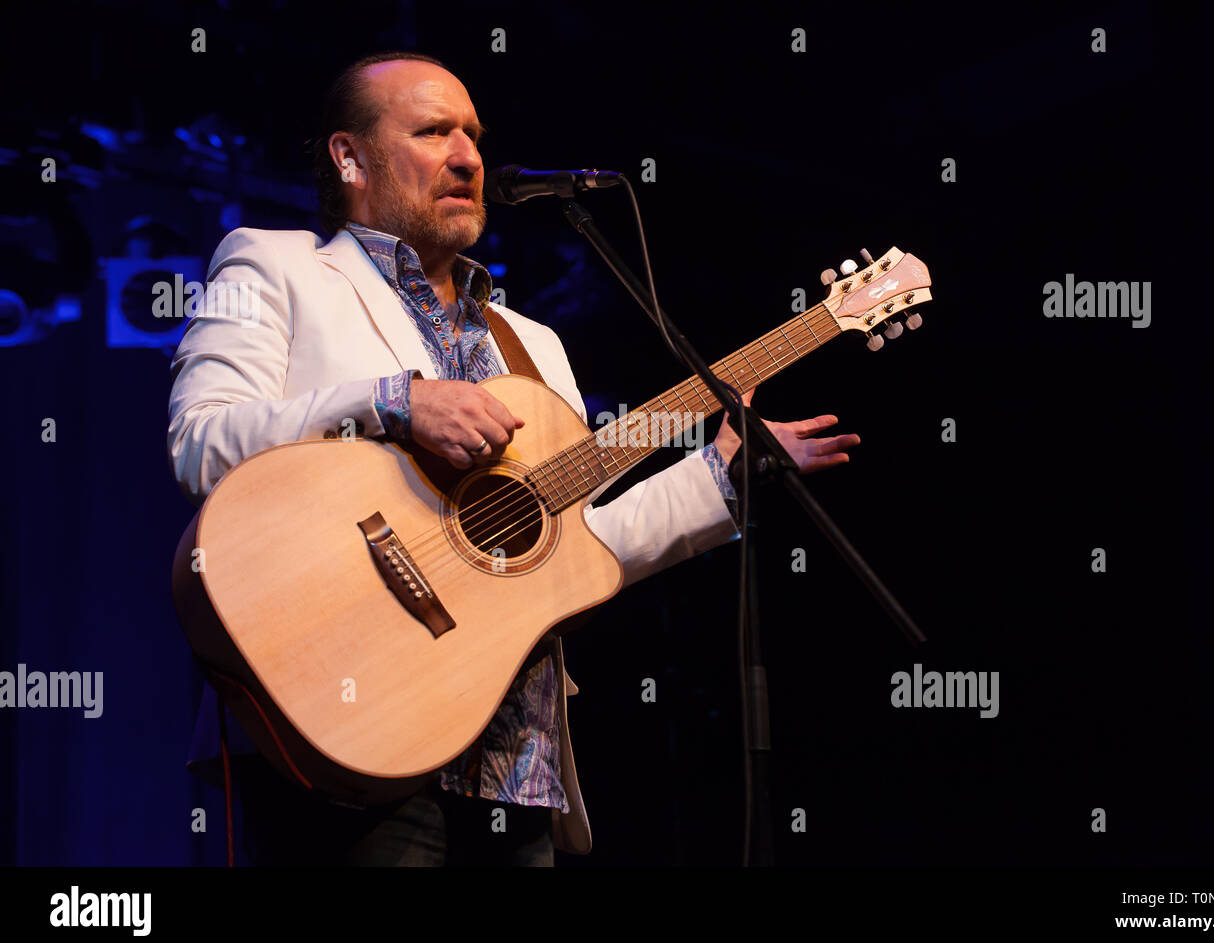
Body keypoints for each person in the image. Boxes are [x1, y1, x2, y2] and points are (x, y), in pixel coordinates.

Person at [167, 51, 859, 866]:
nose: (467, 156)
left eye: (473, 134)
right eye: (433, 131)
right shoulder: (274, 269)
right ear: (347, 157)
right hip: (350, 730)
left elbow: (572, 555)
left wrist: (718, 480)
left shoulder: (532, 345)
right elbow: (202, 444)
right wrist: (394, 400)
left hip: (517, 763)